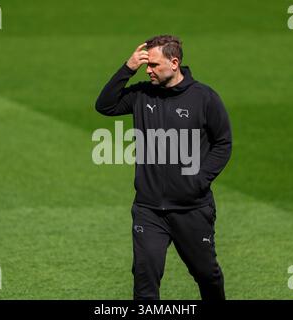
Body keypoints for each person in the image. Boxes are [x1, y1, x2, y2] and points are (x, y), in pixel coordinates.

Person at [95, 35, 232, 300]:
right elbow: (105, 105)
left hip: (191, 209)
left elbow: (223, 143)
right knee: (145, 281)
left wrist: (199, 180)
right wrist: (128, 68)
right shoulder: (142, 94)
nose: (149, 70)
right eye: (146, 65)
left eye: (154, 65)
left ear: (174, 62)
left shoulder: (204, 98)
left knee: (207, 275)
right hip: (149, 210)